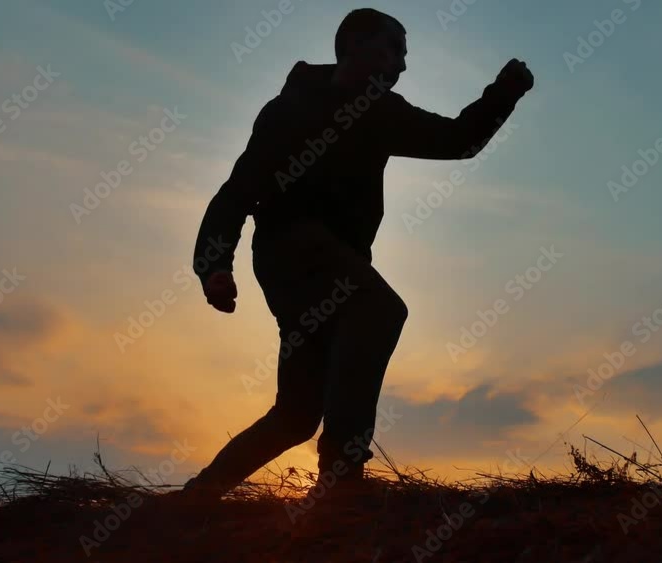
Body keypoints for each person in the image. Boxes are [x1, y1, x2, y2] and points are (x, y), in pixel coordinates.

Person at [186, 8, 533, 498]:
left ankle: (196, 498)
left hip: (332, 267)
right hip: (290, 249)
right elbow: (237, 192)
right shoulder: (288, 110)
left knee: (297, 415)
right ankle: (341, 480)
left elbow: (458, 140)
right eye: (394, 49)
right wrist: (213, 265)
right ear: (353, 44)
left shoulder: (380, 110)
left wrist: (505, 92)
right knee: (379, 309)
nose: (402, 65)